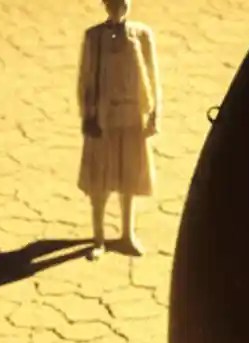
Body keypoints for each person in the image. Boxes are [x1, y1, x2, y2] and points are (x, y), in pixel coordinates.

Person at [77, 0, 161, 259]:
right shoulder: (94, 37)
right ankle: (99, 238)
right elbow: (86, 78)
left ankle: (127, 234)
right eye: (113, 3)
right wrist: (87, 114)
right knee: (99, 179)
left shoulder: (143, 34)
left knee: (129, 176)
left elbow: (152, 75)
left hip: (133, 114)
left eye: (122, 3)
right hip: (104, 115)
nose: (118, 8)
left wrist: (155, 114)